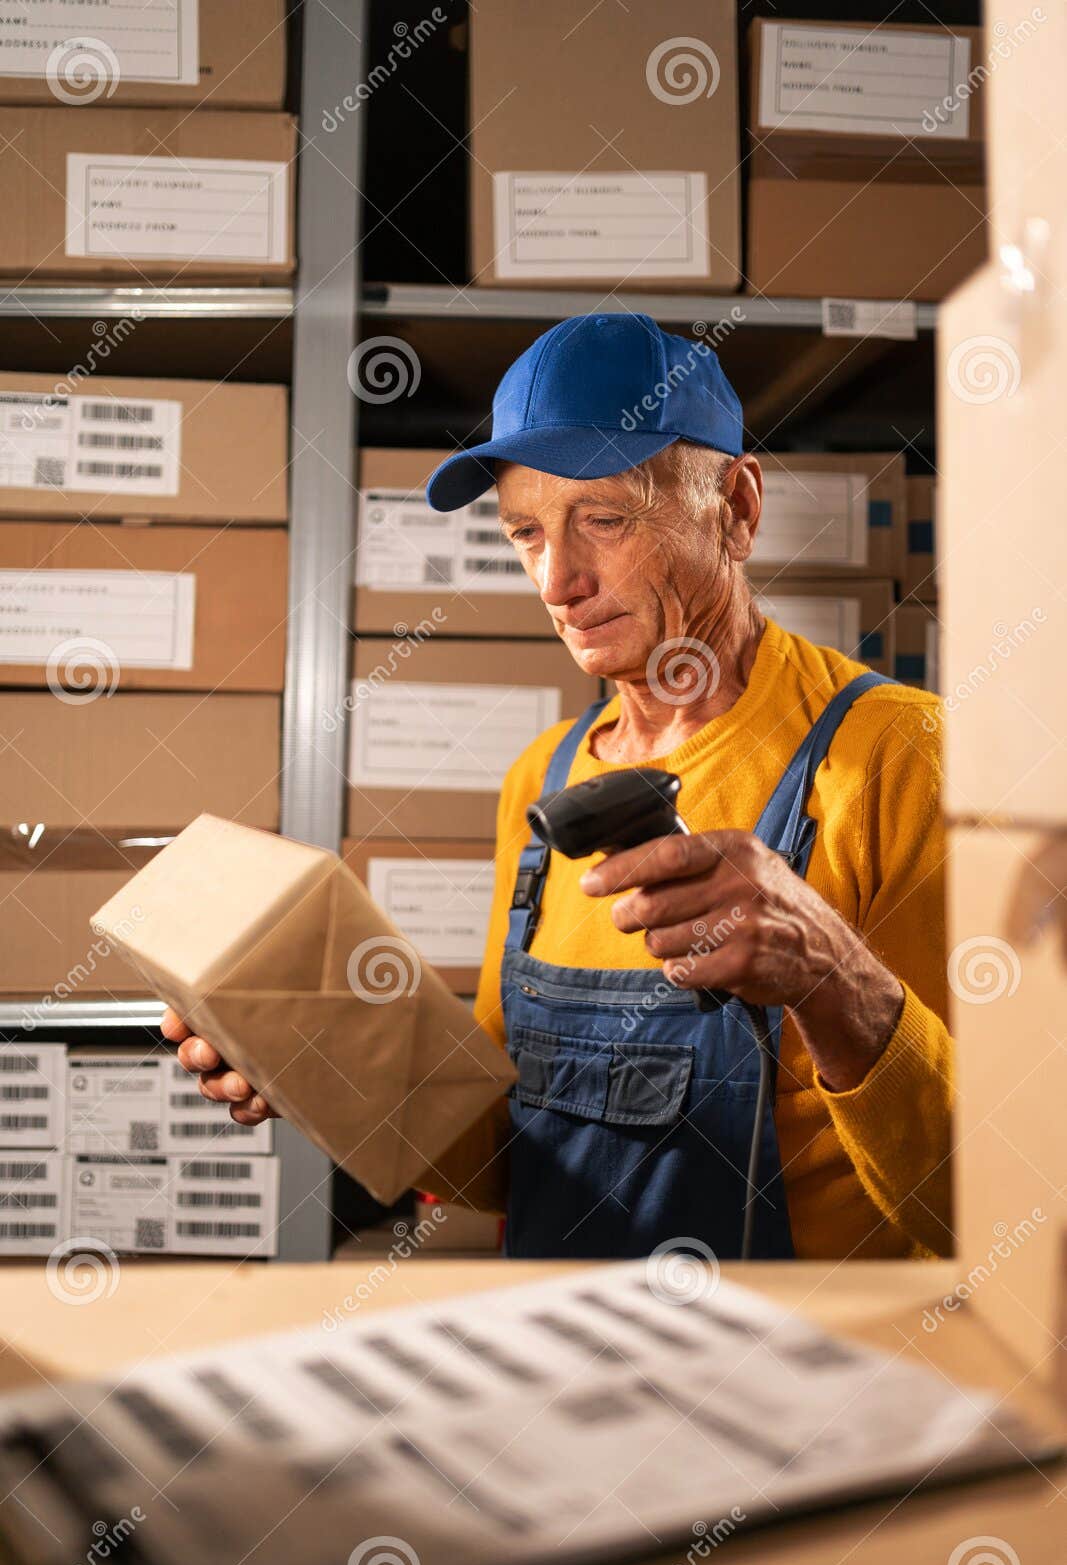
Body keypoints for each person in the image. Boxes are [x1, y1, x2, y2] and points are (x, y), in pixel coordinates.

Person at [164, 313, 951, 1261]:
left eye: (605, 521)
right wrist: (321, 1071)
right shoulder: (540, 780)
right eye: (525, 532)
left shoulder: (897, 757)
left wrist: (835, 981)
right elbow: (510, 1159)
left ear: (736, 507)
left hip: (806, 1377)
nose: (557, 579)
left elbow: (993, 1198)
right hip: (563, 1363)